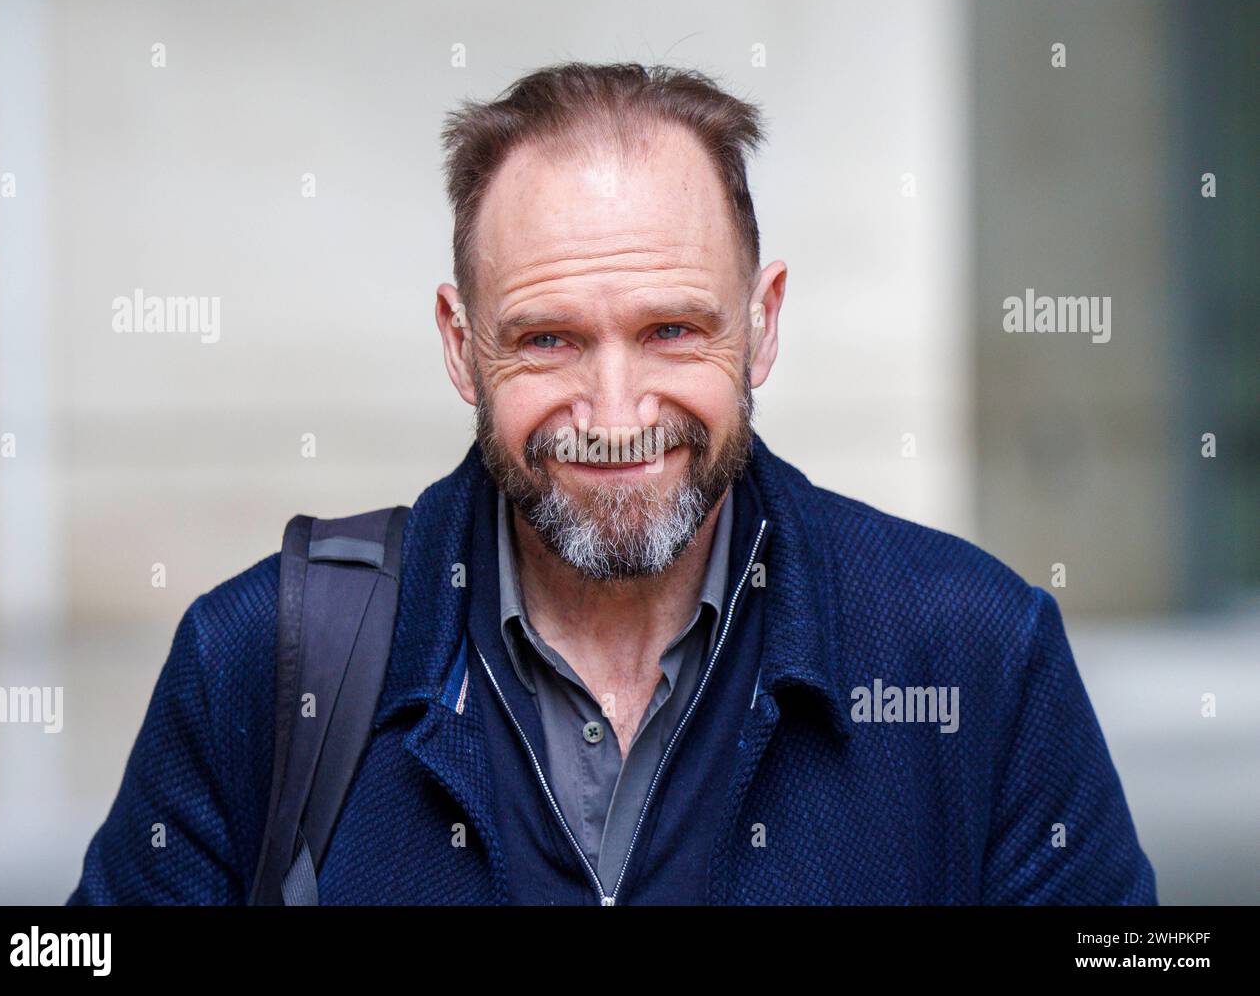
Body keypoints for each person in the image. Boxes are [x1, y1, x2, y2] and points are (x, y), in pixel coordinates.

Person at [68, 62, 1156, 905]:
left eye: (671, 329)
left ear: (763, 321)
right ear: (459, 344)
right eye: (546, 340)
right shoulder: (259, 661)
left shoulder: (976, 652)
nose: (615, 411)